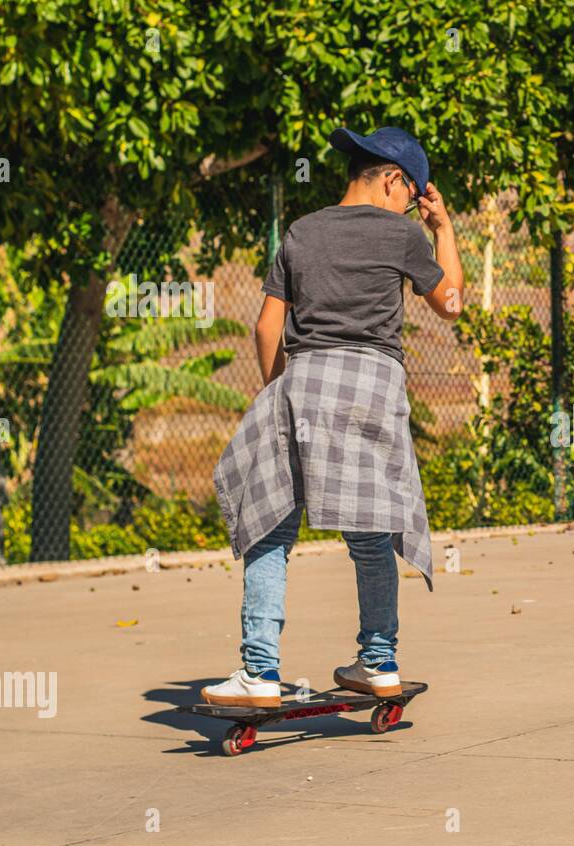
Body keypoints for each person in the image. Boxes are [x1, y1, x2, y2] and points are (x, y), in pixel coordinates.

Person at [204, 126, 463, 708]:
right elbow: (452, 304)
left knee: (270, 527)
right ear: (395, 181)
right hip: (376, 385)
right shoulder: (402, 234)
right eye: (412, 195)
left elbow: (267, 327)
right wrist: (442, 228)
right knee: (371, 530)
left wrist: (284, 398)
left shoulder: (302, 231)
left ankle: (260, 672)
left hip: (308, 378)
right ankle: (378, 661)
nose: (411, 208)